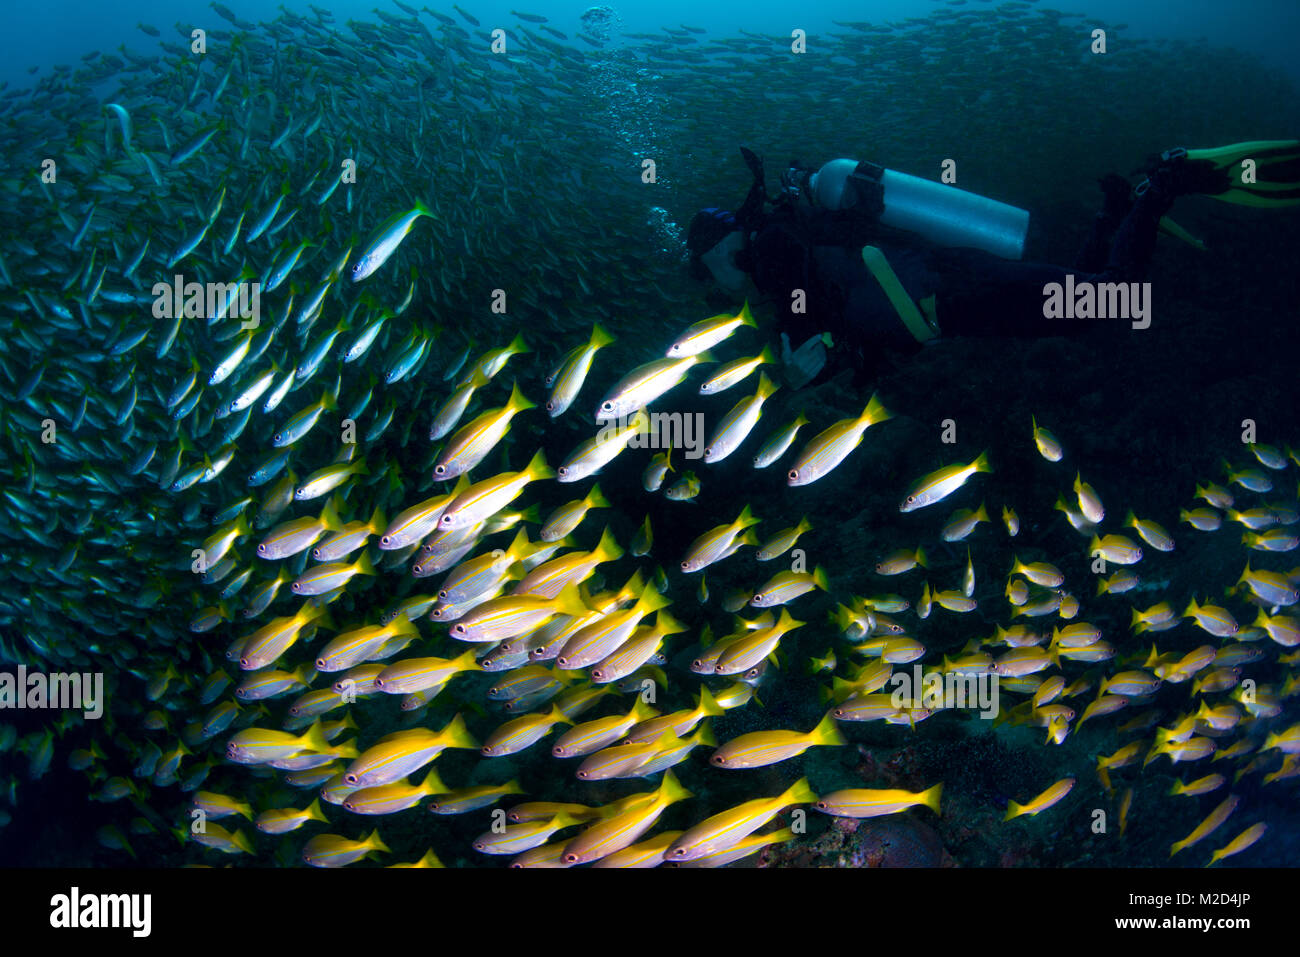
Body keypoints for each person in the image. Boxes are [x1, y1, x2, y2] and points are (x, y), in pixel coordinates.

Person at [687, 142, 1300, 388]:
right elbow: (843, 315)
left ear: (719, 248)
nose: (715, 284)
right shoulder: (783, 246)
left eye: (705, 269)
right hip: (950, 287)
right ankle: (1117, 210)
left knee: (1115, 300)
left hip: (952, 293)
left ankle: (1159, 187)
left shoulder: (769, 251)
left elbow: (809, 314)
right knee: (1080, 309)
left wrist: (796, 362)